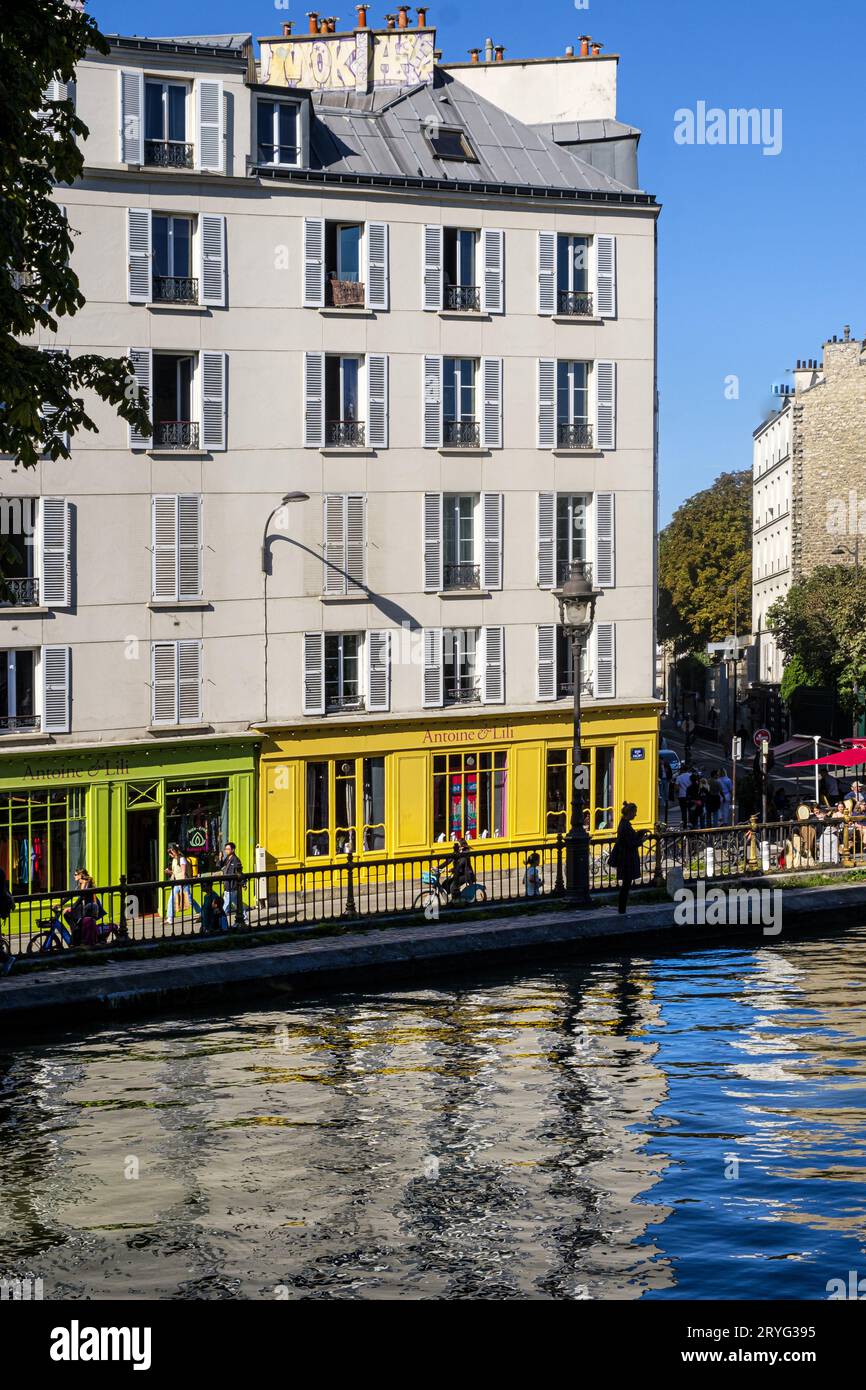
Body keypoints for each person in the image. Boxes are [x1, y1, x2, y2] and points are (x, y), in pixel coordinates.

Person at [611, 802, 646, 915]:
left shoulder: (624, 824)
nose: (635, 815)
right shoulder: (625, 826)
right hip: (626, 860)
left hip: (625, 858)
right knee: (626, 886)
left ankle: (622, 909)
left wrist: (639, 833)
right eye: (634, 812)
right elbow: (630, 843)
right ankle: (622, 909)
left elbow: (630, 838)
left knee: (626, 885)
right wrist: (642, 840)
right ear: (630, 812)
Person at [165, 845, 201, 925]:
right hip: (177, 882)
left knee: (189, 899)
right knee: (172, 898)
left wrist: (182, 884)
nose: (170, 854)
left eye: (170, 852)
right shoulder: (174, 860)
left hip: (183, 883)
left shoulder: (181, 859)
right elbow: (176, 872)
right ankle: (170, 918)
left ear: (174, 851)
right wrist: (169, 872)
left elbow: (183, 872)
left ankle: (201, 912)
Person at [219, 841, 247, 926]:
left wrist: (243, 883)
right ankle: (244, 918)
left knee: (224, 907)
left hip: (232, 886)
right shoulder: (227, 858)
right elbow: (220, 866)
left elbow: (239, 872)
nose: (226, 850)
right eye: (225, 849)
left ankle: (221, 923)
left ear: (233, 850)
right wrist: (220, 858)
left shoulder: (235, 860)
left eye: (228, 849)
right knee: (238, 904)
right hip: (228, 885)